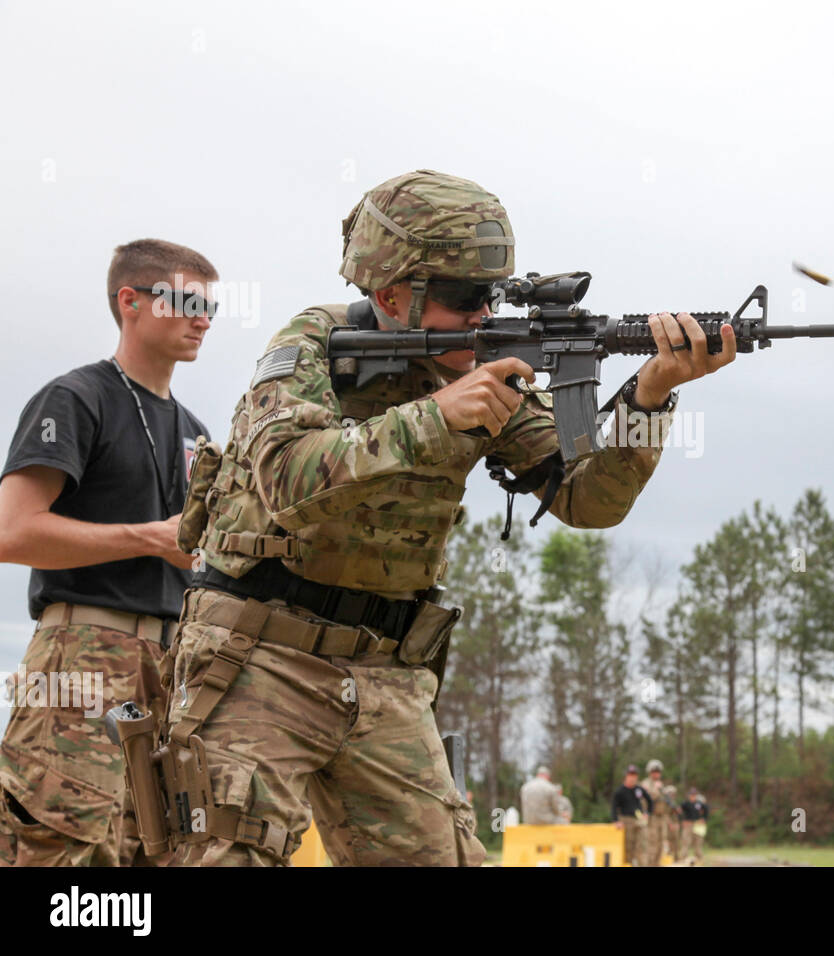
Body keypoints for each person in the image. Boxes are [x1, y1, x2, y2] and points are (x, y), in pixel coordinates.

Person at [161, 169, 737, 866]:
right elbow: (286, 476)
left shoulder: (482, 368)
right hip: (257, 655)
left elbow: (589, 499)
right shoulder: (316, 343)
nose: (482, 316)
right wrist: (437, 416)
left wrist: (650, 396)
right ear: (390, 295)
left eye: (492, 295)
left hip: (386, 670)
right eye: (464, 297)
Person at [0, 239, 218, 866]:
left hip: (171, 665)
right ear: (131, 302)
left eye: (211, 307)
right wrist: (149, 537)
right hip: (81, 652)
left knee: (148, 851)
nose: (202, 319)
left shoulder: (197, 433)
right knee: (54, 843)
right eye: (186, 302)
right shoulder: (75, 399)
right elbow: (14, 532)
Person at [611, 764, 651, 867]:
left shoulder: (639, 789)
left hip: (639, 820)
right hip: (625, 820)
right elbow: (613, 807)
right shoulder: (620, 791)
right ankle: (628, 864)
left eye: (634, 775)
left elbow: (650, 801)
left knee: (642, 846)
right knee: (628, 847)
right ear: (626, 776)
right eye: (630, 775)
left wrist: (647, 813)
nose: (632, 777)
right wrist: (616, 820)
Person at [640, 758, 671, 866]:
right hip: (652, 818)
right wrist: (656, 791)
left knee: (661, 844)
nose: (656, 774)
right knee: (651, 844)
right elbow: (645, 800)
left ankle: (657, 864)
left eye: (658, 772)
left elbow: (666, 803)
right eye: (654, 771)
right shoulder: (646, 784)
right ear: (650, 772)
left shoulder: (660, 785)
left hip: (661, 818)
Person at [679, 787, 709, 864]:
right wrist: (682, 820)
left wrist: (704, 819)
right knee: (685, 841)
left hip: (697, 824)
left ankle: (699, 859)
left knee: (698, 842)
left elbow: (706, 810)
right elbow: (679, 811)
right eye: (691, 794)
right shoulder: (685, 803)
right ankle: (683, 858)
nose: (693, 796)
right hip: (688, 824)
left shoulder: (699, 803)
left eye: (694, 795)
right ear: (689, 795)